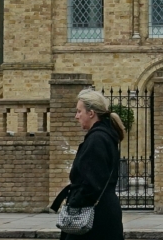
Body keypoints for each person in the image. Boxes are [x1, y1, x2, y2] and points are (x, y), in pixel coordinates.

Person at [52, 88, 125, 240]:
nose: (76, 116)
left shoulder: (97, 140)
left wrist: (74, 204)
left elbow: (92, 183)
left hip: (95, 217)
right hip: (103, 211)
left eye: (79, 111)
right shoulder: (104, 136)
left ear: (91, 113)